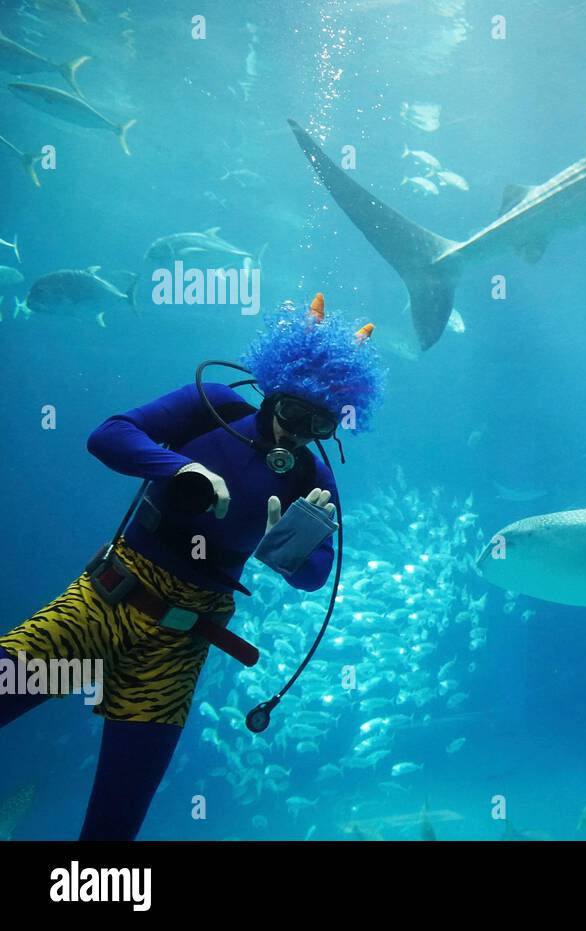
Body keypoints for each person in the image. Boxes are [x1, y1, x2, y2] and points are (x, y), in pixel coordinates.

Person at [0, 294, 385, 840]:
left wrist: (287, 550)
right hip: (104, 603)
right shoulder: (216, 406)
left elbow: (316, 575)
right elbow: (109, 435)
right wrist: (180, 468)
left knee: (117, 819)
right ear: (273, 390)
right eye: (295, 413)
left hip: (180, 641)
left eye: (320, 424)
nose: (298, 433)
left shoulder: (313, 478)